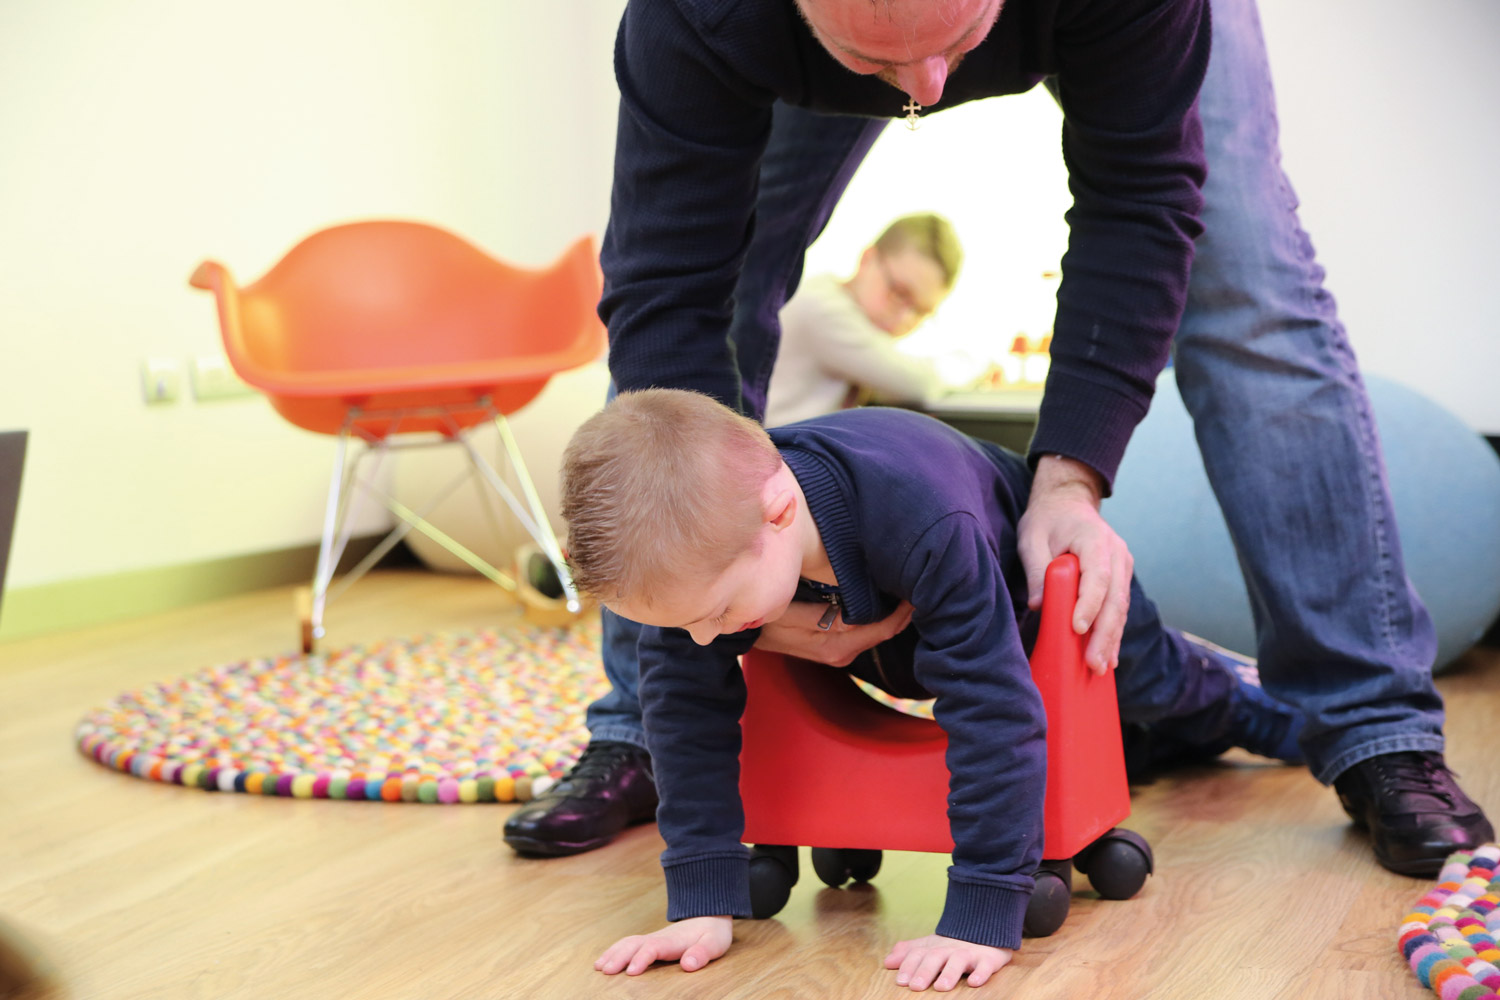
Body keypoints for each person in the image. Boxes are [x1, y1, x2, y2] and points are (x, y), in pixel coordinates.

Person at [504, 0, 1492, 876]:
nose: (927, 93)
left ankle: (1374, 726)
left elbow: (1141, 202)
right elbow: (669, 287)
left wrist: (1069, 482)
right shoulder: (706, 17)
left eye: (955, 40)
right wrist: (709, 595)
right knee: (719, 292)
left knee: (1248, 282)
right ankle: (645, 721)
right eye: (881, 55)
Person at [566, 389, 1305, 989]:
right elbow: (683, 718)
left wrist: (985, 904)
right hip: (892, 639)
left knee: (1161, 687)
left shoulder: (919, 519)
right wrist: (700, 898)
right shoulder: (700, 565)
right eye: (682, 624)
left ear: (780, 512)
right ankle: (1161, 744)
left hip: (1027, 601)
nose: (704, 638)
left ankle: (1277, 711)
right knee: (688, 670)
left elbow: (991, 710)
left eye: (717, 614)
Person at [763, 212, 956, 427]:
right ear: (868, 259)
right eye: (899, 293)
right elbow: (920, 383)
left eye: (921, 312)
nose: (904, 318)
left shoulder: (832, 302)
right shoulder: (823, 310)